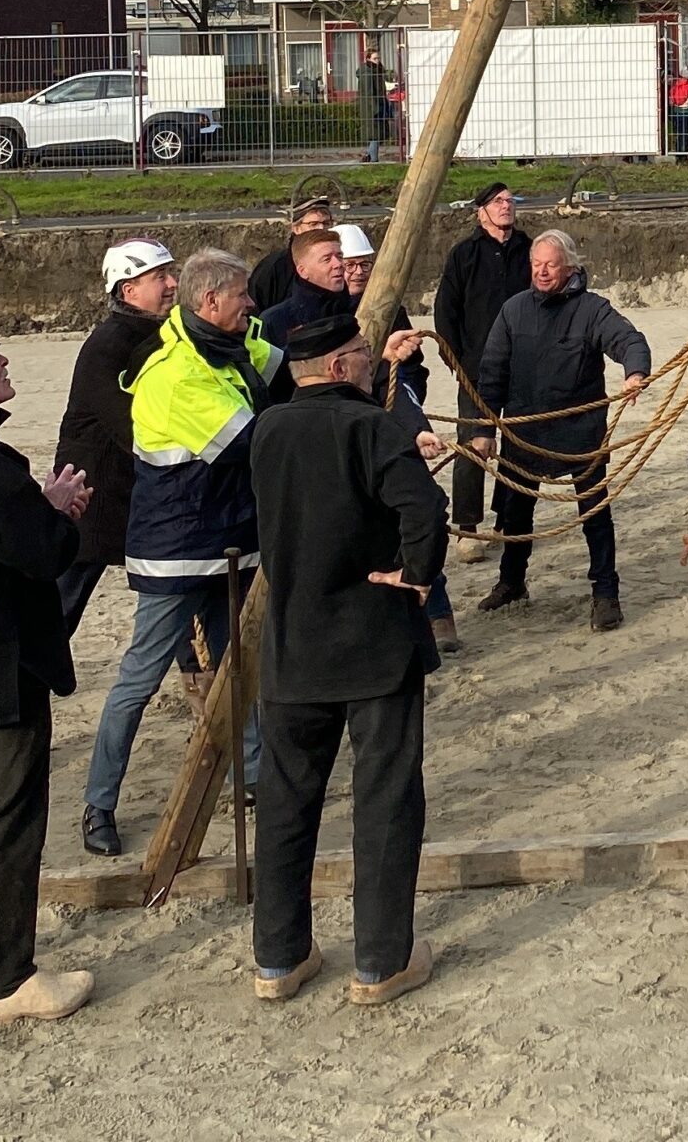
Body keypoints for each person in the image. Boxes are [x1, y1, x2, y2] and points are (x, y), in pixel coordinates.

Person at [248, 313, 448, 1008]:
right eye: (363, 355)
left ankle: (278, 956)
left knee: (285, 804)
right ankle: (381, 961)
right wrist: (418, 572)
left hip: (292, 644)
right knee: (386, 800)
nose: (371, 364)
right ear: (337, 365)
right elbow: (424, 507)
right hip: (370, 642)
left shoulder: (267, 428)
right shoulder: (370, 428)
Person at [81, 249, 286, 858]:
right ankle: (99, 803)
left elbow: (289, 370)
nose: (253, 306)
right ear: (210, 303)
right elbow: (253, 443)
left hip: (230, 540)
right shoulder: (174, 374)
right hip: (177, 552)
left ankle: (253, 776)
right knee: (139, 679)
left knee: (238, 668)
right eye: (243, 296)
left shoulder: (225, 342)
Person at [0, 322, 95, 1025]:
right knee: (4, 821)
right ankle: (1, 977)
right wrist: (58, 512)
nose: (3, 363)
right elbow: (40, 553)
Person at [476, 230, 650, 633]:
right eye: (536, 264)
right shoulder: (513, 310)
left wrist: (636, 371)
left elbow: (628, 339)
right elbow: (491, 374)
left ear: (569, 267)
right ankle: (512, 582)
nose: (541, 272)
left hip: (579, 432)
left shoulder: (592, 309)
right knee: (516, 514)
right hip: (524, 431)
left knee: (594, 514)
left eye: (550, 264)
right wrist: (485, 429)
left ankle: (606, 592)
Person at [339, 224, 460, 656]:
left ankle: (438, 610)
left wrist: (414, 427)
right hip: (348, 433)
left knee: (420, 512)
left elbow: (405, 377)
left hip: (390, 426)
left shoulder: (392, 308)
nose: (356, 272)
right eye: (350, 265)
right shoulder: (322, 314)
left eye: (363, 265)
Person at [53, 240, 179, 637]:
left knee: (171, 586)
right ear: (129, 290)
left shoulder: (157, 335)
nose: (173, 283)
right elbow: (131, 426)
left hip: (130, 487)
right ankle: (31, 670)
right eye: (160, 277)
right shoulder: (109, 345)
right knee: (66, 593)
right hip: (94, 489)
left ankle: (193, 666)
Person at [433, 182, 532, 562]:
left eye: (510, 200)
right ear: (481, 211)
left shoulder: (528, 249)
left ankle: (508, 521)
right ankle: (468, 528)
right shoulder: (464, 255)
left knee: (518, 445)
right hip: (475, 367)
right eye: (498, 201)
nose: (506, 206)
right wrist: (456, 362)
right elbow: (447, 313)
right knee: (473, 445)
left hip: (522, 364)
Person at [260, 228, 348, 348]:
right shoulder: (274, 321)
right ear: (303, 271)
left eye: (340, 256)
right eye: (327, 259)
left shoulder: (359, 309)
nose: (338, 264)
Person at [249, 196, 334, 314]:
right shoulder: (274, 268)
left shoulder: (337, 264)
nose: (321, 229)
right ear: (296, 228)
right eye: (313, 224)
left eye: (326, 223)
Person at [358, 50, 390, 164]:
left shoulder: (376, 71)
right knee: (375, 134)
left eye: (378, 58)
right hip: (372, 109)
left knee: (378, 134)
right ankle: (373, 159)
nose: (378, 60)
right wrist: (376, 109)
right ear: (368, 59)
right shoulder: (367, 73)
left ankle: (369, 155)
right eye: (375, 58)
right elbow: (369, 93)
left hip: (378, 105)